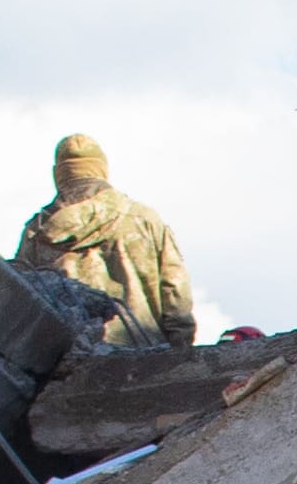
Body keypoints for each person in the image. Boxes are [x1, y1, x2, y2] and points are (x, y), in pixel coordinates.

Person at [11, 132, 202, 347]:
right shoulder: (144, 219)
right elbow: (175, 291)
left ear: (58, 174)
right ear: (102, 169)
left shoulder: (37, 231)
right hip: (145, 353)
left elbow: (23, 302)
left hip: (72, 358)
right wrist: (180, 351)